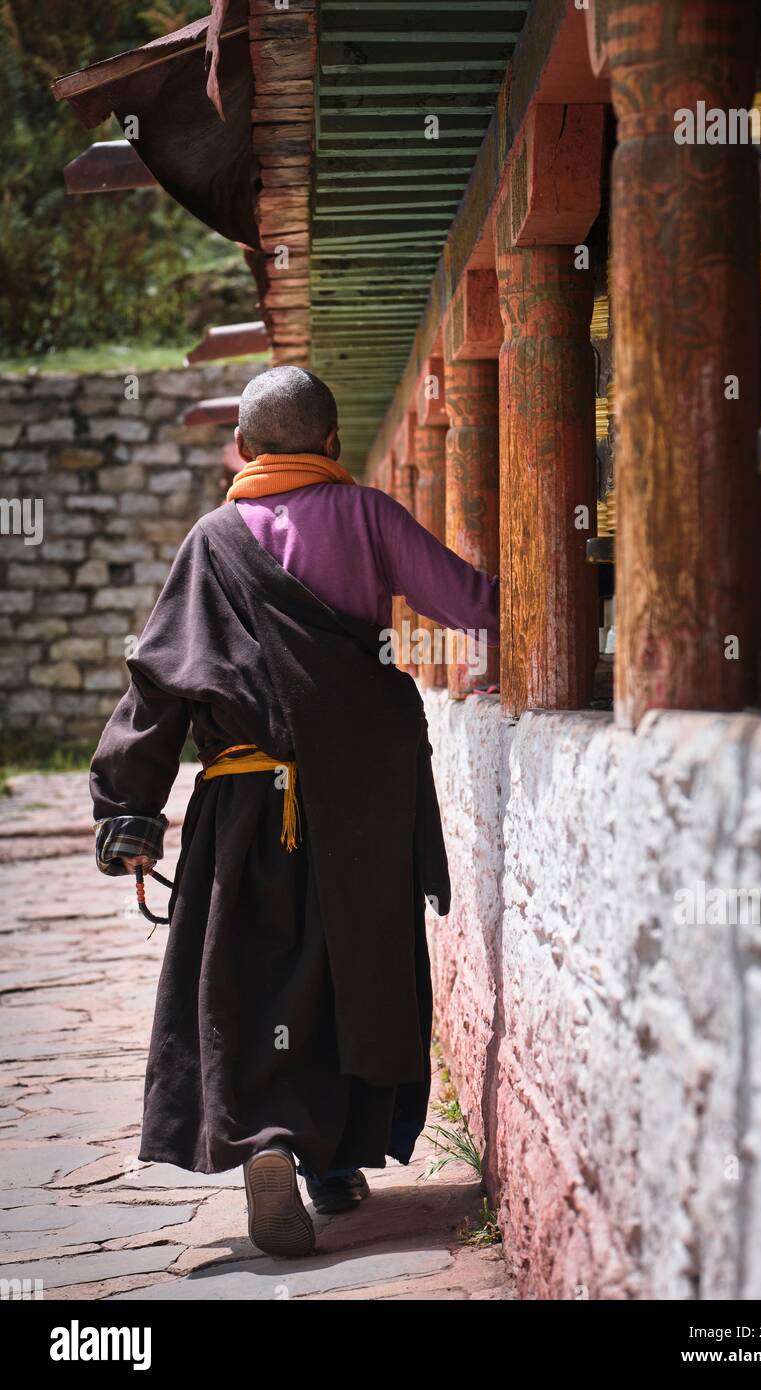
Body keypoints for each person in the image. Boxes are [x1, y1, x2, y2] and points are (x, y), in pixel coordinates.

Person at [90, 365, 499, 1257]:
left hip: (245, 801)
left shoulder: (210, 540)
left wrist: (129, 810)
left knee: (255, 972)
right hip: (360, 801)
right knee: (349, 969)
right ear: (331, 443)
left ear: (241, 449)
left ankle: (272, 1143)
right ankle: (332, 1155)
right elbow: (473, 606)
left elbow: (160, 679)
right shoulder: (370, 515)